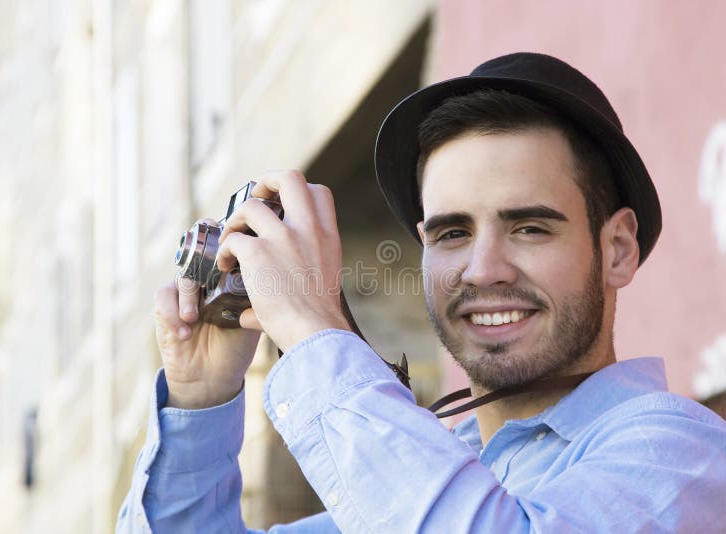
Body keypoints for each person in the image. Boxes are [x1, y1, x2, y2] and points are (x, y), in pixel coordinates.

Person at [117, 52, 726, 533]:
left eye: (529, 228)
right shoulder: (396, 486)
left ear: (617, 248)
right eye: (452, 233)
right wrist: (201, 397)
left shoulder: (685, 455)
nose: (483, 271)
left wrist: (312, 330)